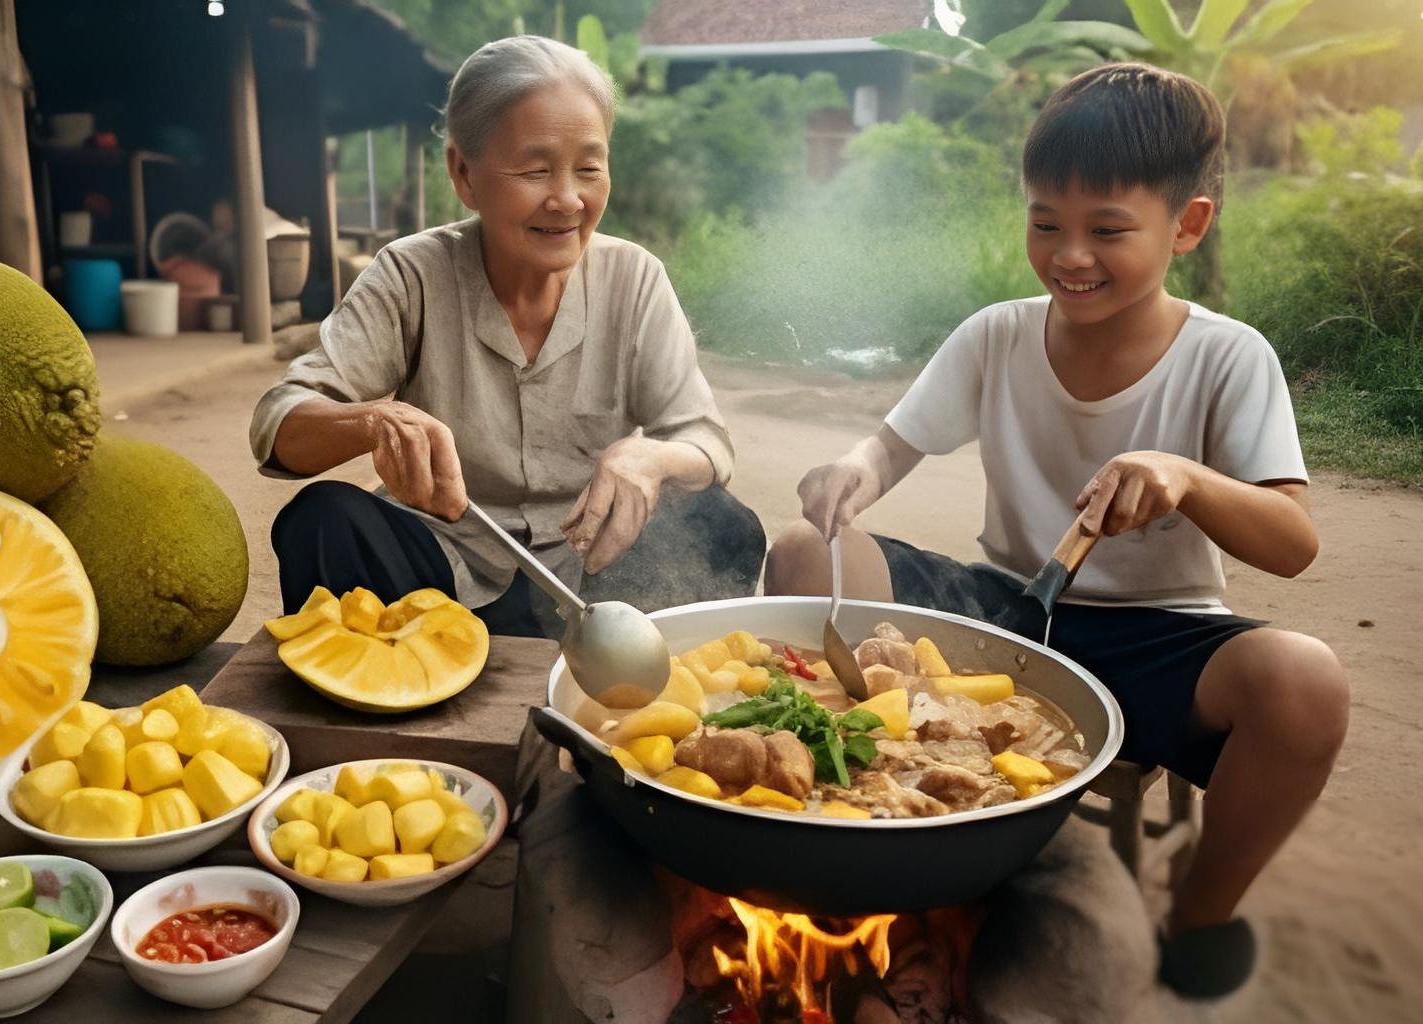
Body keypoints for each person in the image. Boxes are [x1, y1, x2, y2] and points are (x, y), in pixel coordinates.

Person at [764, 64, 1348, 999]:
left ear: (1186, 226)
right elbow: (889, 448)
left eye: (1107, 231)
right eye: (1046, 225)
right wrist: (850, 475)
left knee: (1306, 681)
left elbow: (1292, 541)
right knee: (805, 552)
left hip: (1163, 638)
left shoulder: (1227, 357)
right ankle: (861, 805)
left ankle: (1197, 910)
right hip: (1006, 616)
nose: (1070, 255)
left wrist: (1187, 478)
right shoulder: (997, 335)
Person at [252, 36, 764, 637]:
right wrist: (374, 421)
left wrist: (647, 455)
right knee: (323, 521)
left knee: (724, 526)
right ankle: (398, 703)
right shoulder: (412, 274)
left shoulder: (635, 277)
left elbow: (705, 440)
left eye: (589, 167)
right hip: (441, 569)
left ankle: (635, 693)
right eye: (535, 169)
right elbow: (278, 424)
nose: (568, 199)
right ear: (464, 174)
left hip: (594, 571)